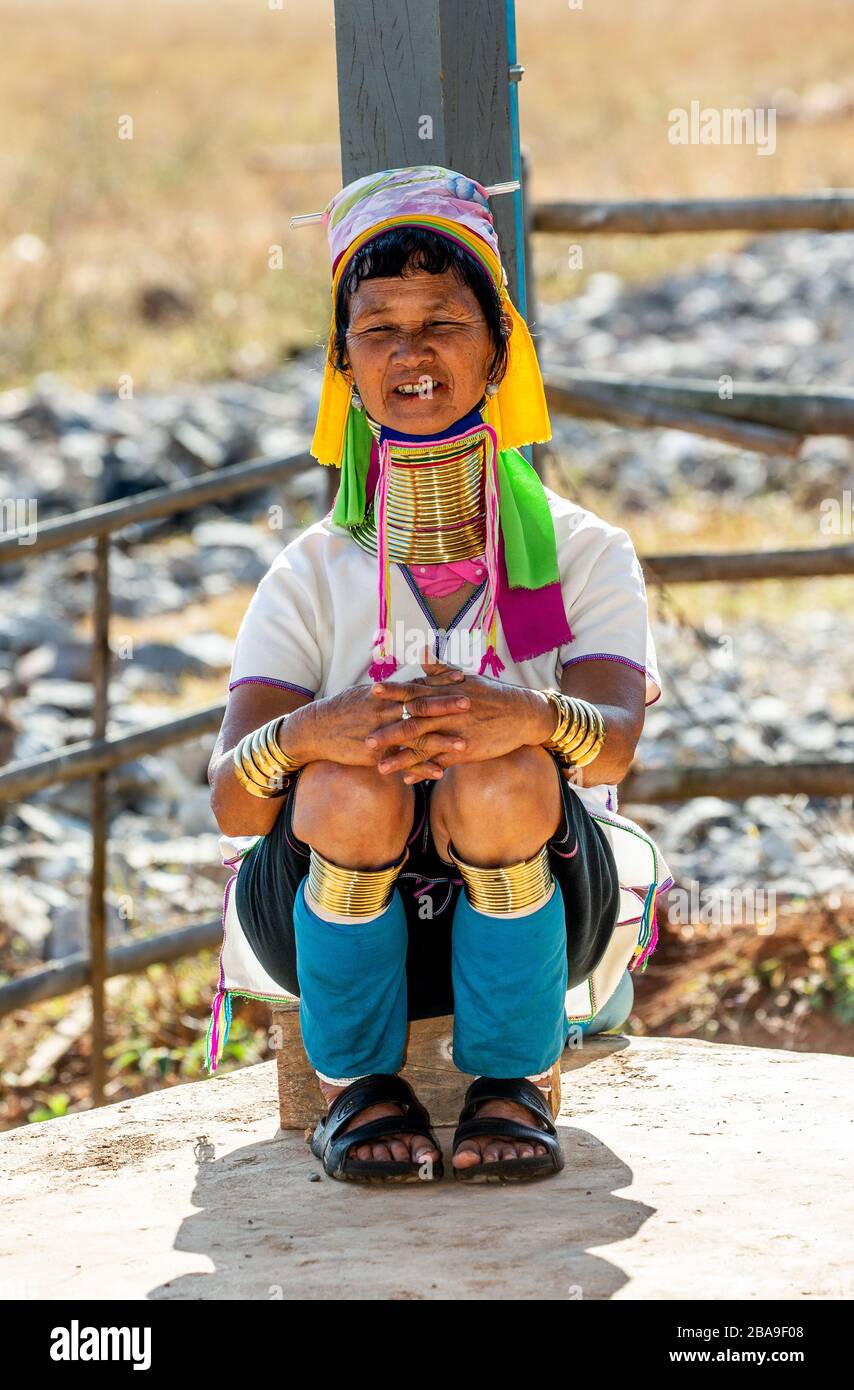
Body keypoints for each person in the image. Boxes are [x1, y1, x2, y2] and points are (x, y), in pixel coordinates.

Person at [206, 165, 673, 1185]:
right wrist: (307, 737)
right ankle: (359, 1084)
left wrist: (523, 715)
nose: (410, 353)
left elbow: (618, 740)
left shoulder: (581, 552)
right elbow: (235, 808)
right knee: (343, 774)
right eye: (376, 329)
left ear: (500, 348)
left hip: (540, 889)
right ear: (344, 365)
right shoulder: (314, 571)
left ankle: (509, 1077)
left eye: (442, 322)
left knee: (503, 764)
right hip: (324, 909)